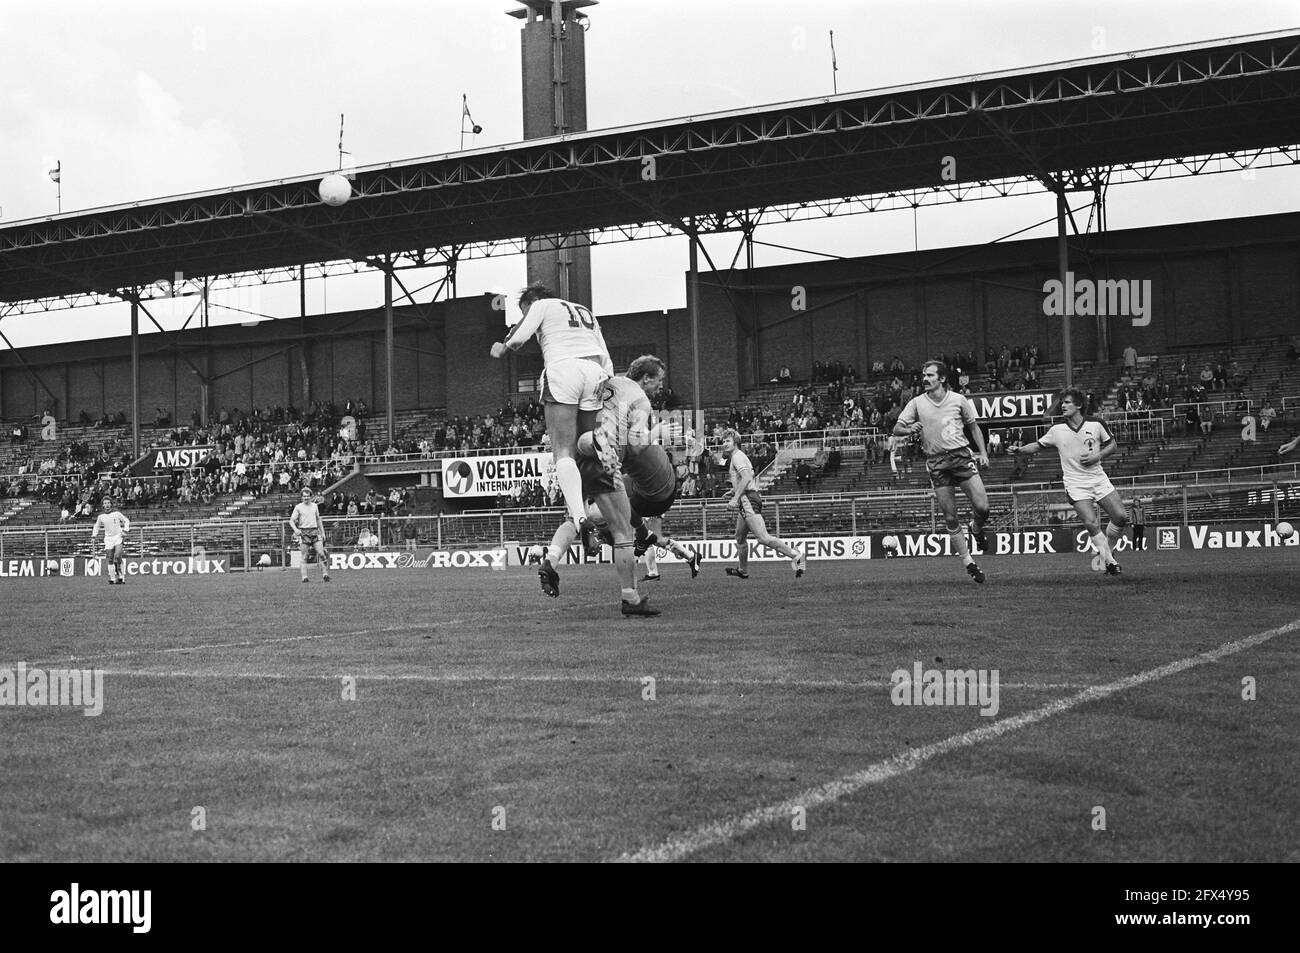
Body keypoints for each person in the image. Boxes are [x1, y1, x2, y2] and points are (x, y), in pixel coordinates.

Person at [537, 355, 701, 615]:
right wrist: (657, 433)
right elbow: (636, 443)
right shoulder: (640, 399)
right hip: (622, 468)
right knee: (622, 532)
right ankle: (631, 598)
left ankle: (552, 560)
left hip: (581, 456)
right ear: (646, 378)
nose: (661, 387)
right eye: (659, 381)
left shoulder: (603, 382)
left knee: (576, 517)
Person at [490, 284, 613, 538]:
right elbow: (607, 357)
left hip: (563, 369)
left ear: (530, 304)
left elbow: (519, 338)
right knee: (587, 447)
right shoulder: (584, 310)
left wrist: (502, 347)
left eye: (525, 312)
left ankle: (580, 519)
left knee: (563, 451)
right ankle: (600, 508)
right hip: (596, 373)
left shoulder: (540, 305)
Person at [892, 360, 991, 583]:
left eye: (930, 375)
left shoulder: (958, 400)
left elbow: (973, 426)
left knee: (983, 507)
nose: (925, 379)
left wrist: (983, 452)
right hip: (936, 462)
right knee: (950, 516)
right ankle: (969, 563)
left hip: (961, 457)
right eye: (924, 375)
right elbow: (896, 428)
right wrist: (908, 429)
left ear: (942, 378)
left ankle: (976, 527)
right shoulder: (917, 403)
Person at [1012, 389, 1128, 575]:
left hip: (1098, 478)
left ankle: (1108, 551)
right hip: (1075, 484)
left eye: (1067, 402)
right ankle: (1110, 561)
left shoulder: (1096, 424)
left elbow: (1113, 445)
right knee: (1091, 522)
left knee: (1121, 517)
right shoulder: (1057, 430)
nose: (1063, 406)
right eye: (1062, 403)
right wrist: (1019, 450)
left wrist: (1096, 456)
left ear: (1079, 405)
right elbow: (1037, 445)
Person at [721, 429, 806, 580]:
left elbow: (747, 477)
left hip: (747, 499)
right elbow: (749, 476)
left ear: (736, 442)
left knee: (763, 537)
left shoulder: (737, 457)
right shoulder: (738, 457)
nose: (724, 444)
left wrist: (736, 498)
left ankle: (797, 555)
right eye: (723, 441)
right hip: (746, 498)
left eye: (728, 441)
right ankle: (742, 570)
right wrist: (734, 492)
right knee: (740, 537)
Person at [289, 487, 331, 583]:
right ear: (301, 497)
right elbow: (291, 521)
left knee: (321, 554)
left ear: (310, 496)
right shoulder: (298, 507)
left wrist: (323, 532)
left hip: (315, 531)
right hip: (304, 533)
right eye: (304, 496)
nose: (306, 498)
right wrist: (296, 530)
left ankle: (325, 574)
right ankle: (304, 577)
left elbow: (318, 519)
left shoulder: (315, 506)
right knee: (304, 556)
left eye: (308, 496)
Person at [91, 496, 130, 585]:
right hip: (108, 539)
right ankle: (112, 579)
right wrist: (94, 536)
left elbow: (126, 520)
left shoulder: (116, 513)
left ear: (111, 504)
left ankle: (121, 577)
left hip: (118, 536)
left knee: (118, 555)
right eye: (105, 503)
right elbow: (96, 526)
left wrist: (125, 530)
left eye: (108, 503)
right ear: (103, 505)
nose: (107, 505)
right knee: (110, 559)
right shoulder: (101, 516)